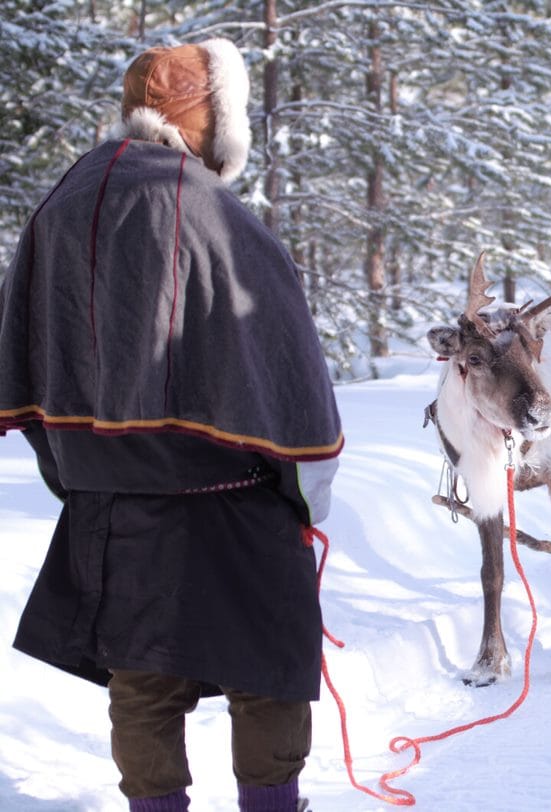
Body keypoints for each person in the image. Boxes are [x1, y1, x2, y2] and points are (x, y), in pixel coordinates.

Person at [0, 39, 343, 812]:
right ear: (211, 124)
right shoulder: (209, 209)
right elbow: (285, 372)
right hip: (228, 495)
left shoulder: (59, 201)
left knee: (143, 674)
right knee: (265, 670)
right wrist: (303, 494)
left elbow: (24, 357)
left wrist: (79, 474)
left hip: (106, 503)